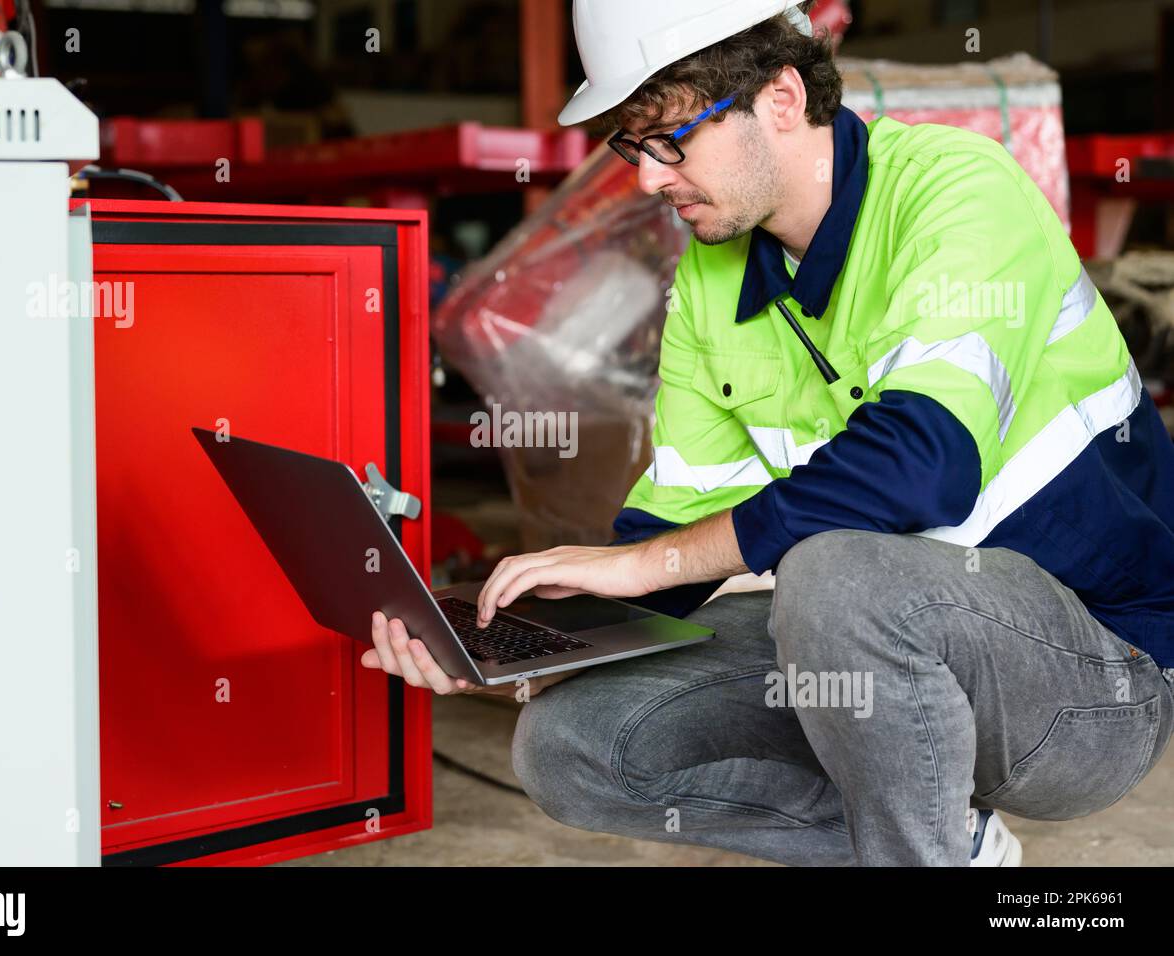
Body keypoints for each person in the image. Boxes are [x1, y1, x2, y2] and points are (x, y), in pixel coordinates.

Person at [364, 0, 1174, 866]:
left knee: (833, 574)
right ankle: (947, 848)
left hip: (1096, 679)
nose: (647, 178)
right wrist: (500, 638)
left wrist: (648, 564)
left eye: (671, 137)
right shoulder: (713, 280)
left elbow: (923, 463)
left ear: (782, 99)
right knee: (571, 745)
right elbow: (667, 547)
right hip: (884, 634)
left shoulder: (956, 189)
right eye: (633, 145)